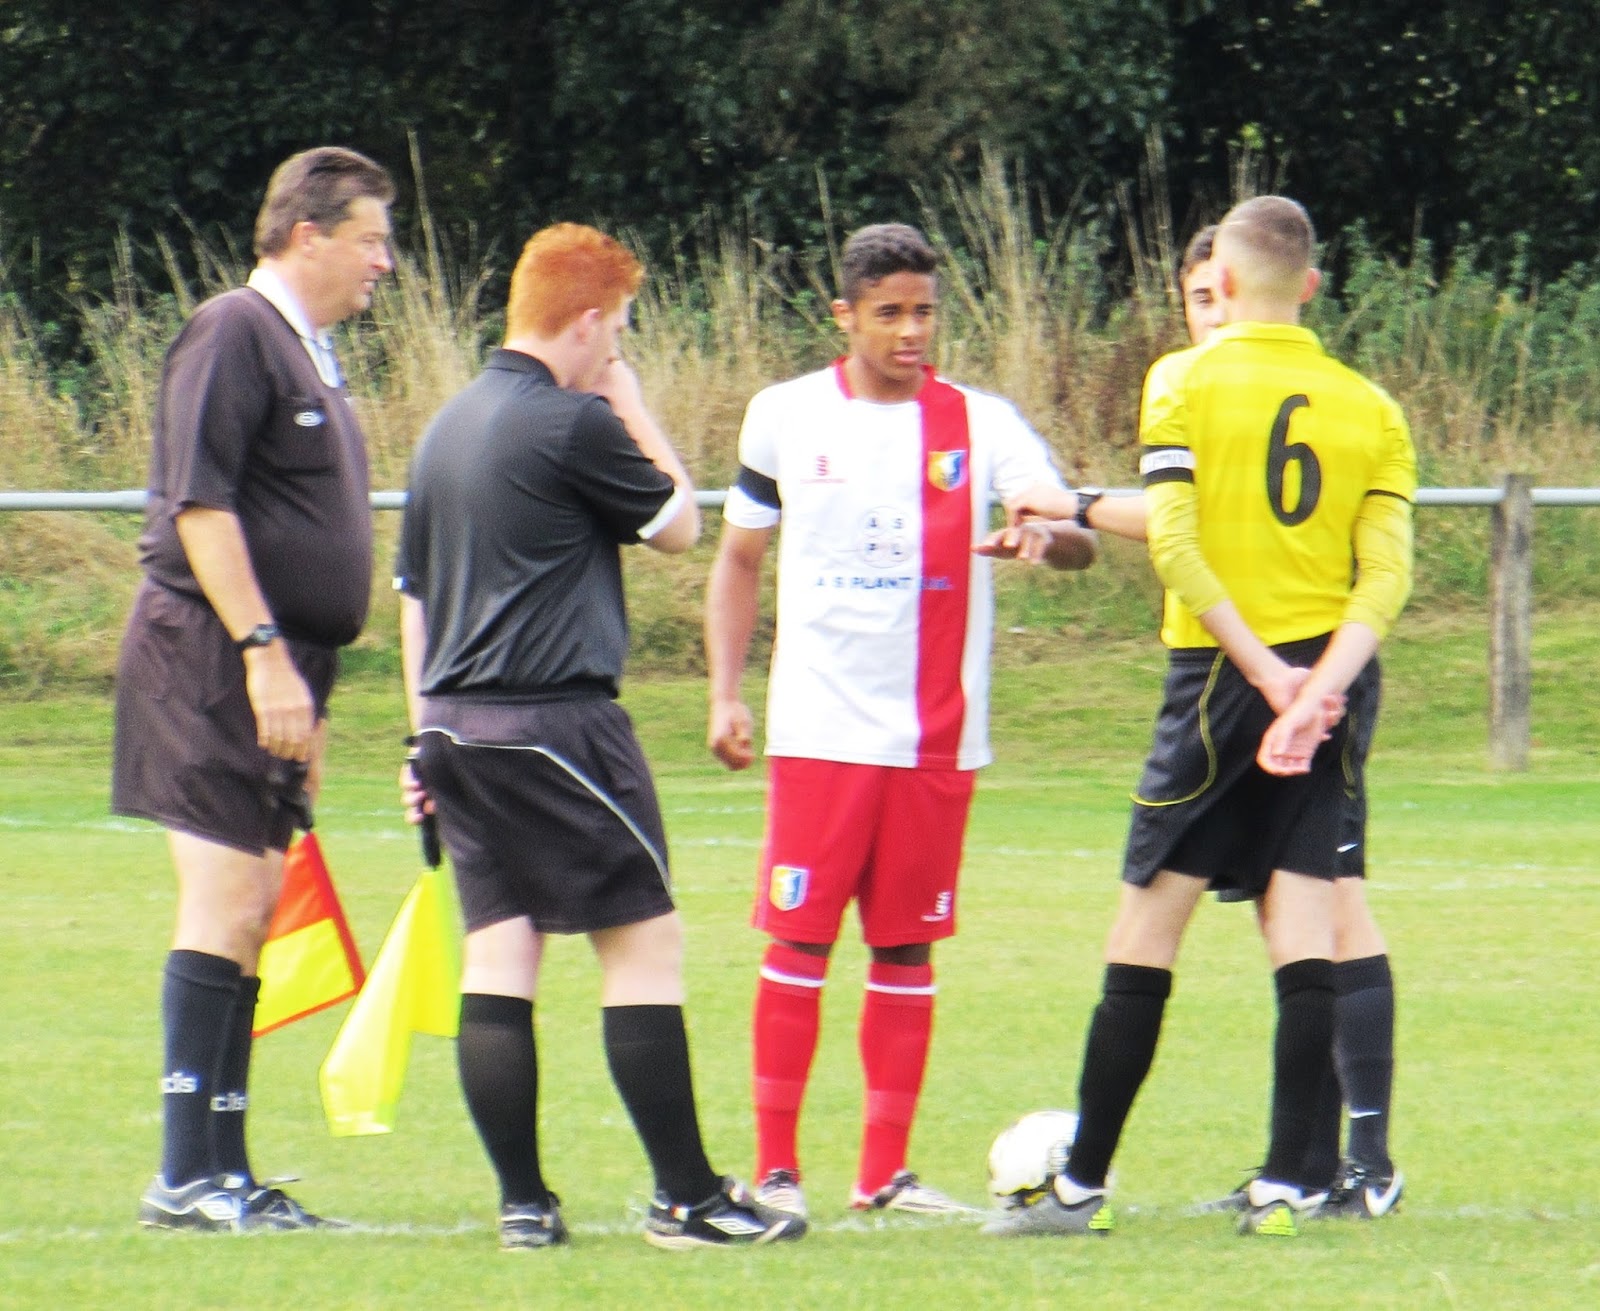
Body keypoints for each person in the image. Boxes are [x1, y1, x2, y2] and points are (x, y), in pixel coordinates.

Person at [983, 196, 1415, 1239]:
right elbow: (1387, 574)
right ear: (1308, 284)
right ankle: (1285, 1182)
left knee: (1148, 921)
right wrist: (1320, 687)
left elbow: (1175, 542)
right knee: (1302, 920)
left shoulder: (1182, 378)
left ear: (1217, 281)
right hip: (1330, 683)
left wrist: (1266, 675)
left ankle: (1079, 1180)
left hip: (1222, 676)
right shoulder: (1372, 406)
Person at [394, 222, 804, 1252]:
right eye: (613, 330)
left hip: (452, 723)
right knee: (643, 948)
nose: (614, 345)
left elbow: (411, 599)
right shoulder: (570, 420)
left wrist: (418, 743)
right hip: (556, 724)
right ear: (584, 324)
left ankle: (524, 1207)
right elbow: (678, 525)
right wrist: (623, 396)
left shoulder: (444, 427)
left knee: (501, 954)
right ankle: (687, 1199)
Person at [704, 222, 1097, 1221]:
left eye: (924, 311)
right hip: (818, 732)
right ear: (846, 317)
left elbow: (1067, 531)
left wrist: (1047, 535)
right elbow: (738, 563)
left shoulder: (982, 422)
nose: (912, 331)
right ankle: (778, 1171)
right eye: (890, 314)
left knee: (907, 950)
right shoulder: (784, 416)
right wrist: (724, 691)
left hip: (935, 735)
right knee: (797, 943)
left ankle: (882, 1175)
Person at [114, 146, 396, 1232]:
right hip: (212, 655)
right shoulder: (234, 328)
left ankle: (225, 1168)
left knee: (260, 911)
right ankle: (185, 1174)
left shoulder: (309, 350)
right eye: (370, 239)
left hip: (279, 668)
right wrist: (267, 651)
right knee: (224, 903)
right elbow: (200, 505)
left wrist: (305, 683)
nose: (384, 263)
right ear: (307, 234)